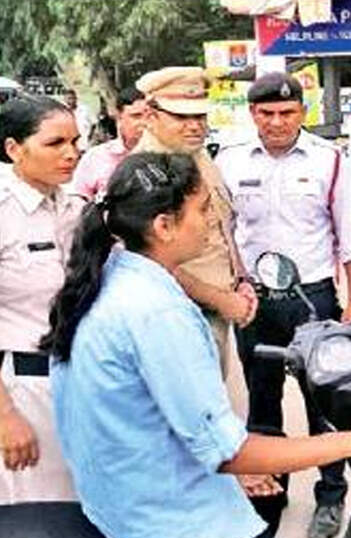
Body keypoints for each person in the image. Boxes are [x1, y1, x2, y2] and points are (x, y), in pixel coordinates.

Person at [42, 152, 351, 538]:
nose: (212, 220)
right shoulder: (158, 312)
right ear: (163, 226)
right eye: (202, 209)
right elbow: (231, 452)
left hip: (121, 497)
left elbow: (158, 418)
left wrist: (235, 466)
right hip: (173, 525)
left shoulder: (109, 275)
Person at [215, 71, 351, 538]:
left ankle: (330, 495)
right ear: (252, 113)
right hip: (254, 301)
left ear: (304, 112)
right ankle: (269, 493)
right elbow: (224, 232)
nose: (277, 122)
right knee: (263, 405)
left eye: (287, 112)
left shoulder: (329, 159)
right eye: (267, 113)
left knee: (324, 406)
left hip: (314, 300)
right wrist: (237, 284)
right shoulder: (229, 159)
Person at [0, 95, 83, 503]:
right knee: (43, 518)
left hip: (80, 379)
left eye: (75, 141)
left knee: (88, 512)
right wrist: (3, 414)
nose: (71, 154)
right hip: (24, 386)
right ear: (14, 149)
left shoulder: (72, 207)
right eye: (55, 143)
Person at [133, 66, 257, 378]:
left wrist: (241, 280)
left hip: (216, 308)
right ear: (150, 115)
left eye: (200, 117)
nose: (194, 127)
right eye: (181, 117)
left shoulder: (198, 158)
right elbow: (149, 263)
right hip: (177, 313)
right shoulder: (147, 173)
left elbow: (222, 228)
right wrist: (223, 300)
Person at [72, 87, 147, 201]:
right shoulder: (96, 157)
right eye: (136, 116)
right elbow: (78, 201)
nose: (144, 123)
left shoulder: (167, 157)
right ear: (119, 117)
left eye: (150, 116)